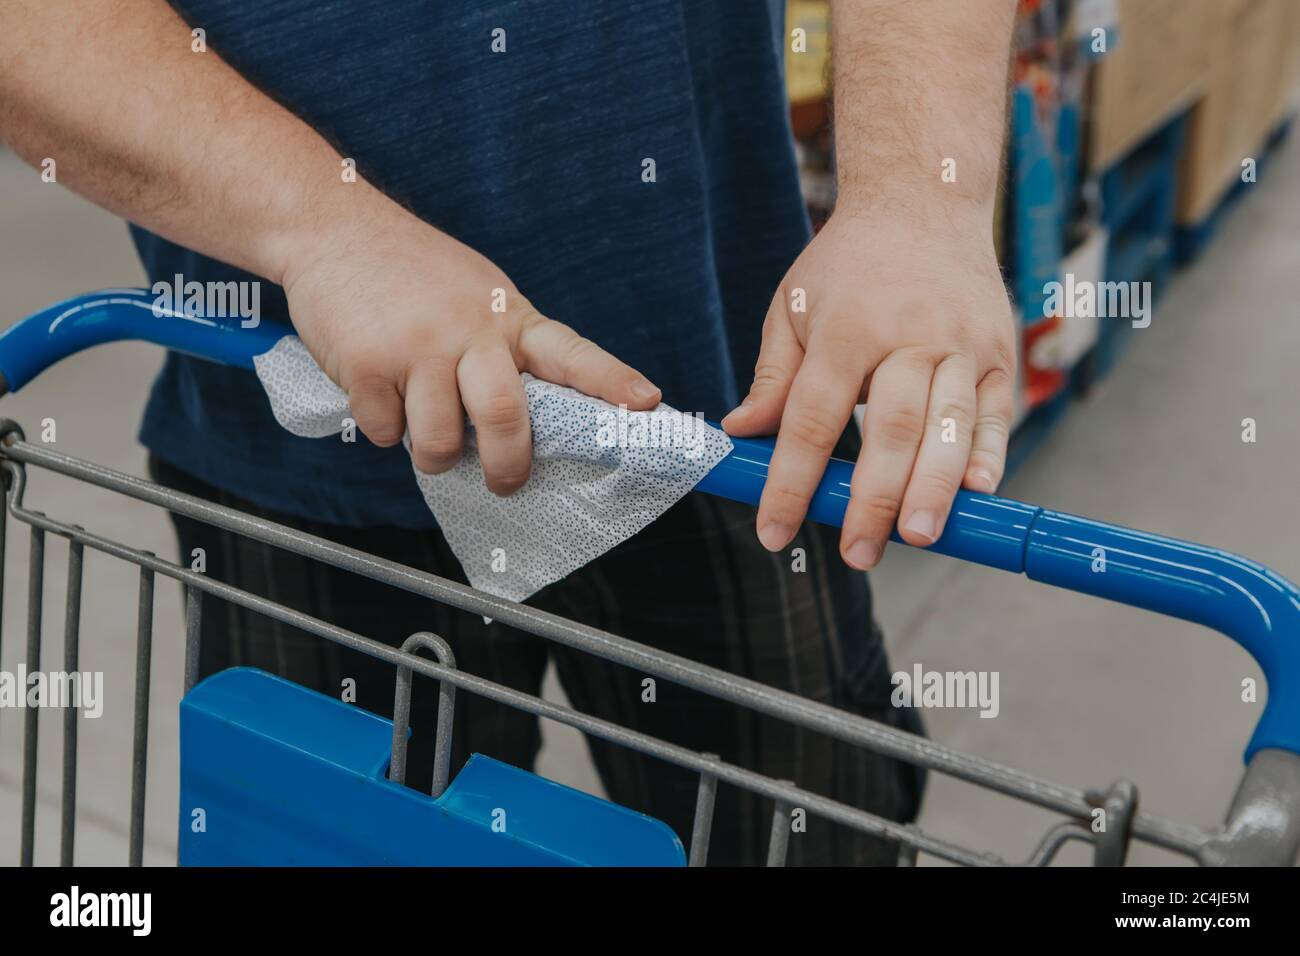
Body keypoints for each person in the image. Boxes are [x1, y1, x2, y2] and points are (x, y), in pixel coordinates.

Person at [0, 0, 1017, 865]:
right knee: (340, 838)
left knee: (806, 837)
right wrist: (326, 228)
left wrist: (916, 198)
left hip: (719, 428)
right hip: (309, 423)